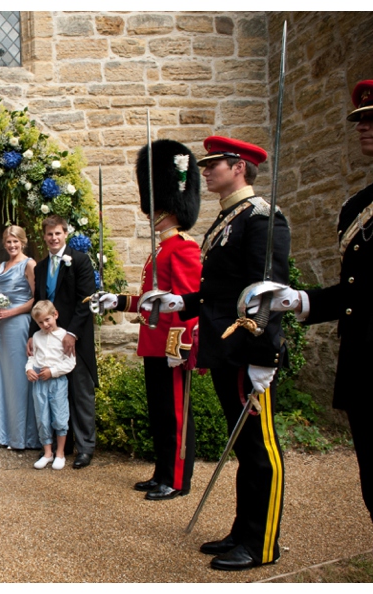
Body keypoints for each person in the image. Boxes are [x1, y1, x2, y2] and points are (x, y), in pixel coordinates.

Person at [254, 80, 373, 582]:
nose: (362, 126)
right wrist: (302, 300)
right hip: (368, 370)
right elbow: (357, 290)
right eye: (359, 119)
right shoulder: (362, 202)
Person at [142, 136, 290, 571]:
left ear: (240, 167)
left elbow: (268, 293)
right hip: (226, 350)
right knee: (244, 448)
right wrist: (178, 303)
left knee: (262, 451)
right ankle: (244, 529)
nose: (205, 172)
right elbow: (214, 295)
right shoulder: (228, 220)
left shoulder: (262, 218)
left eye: (214, 165)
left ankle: (263, 542)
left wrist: (264, 356)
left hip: (249, 353)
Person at [97, 139, 202, 500]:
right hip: (154, 343)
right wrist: (119, 301)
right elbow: (151, 300)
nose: (149, 213)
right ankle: (162, 472)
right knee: (160, 414)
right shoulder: (161, 249)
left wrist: (182, 345)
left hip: (171, 345)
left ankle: (176, 479)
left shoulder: (184, 247)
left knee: (174, 415)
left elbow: (187, 301)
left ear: (169, 208)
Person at [28, 215, 98, 469]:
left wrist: (72, 334)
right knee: (56, 394)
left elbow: (87, 300)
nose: (53, 238)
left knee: (80, 394)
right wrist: (30, 337)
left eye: (57, 233)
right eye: (49, 234)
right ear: (44, 237)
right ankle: (62, 448)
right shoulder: (40, 266)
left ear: (65, 234)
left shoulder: (79, 261)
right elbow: (38, 304)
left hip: (73, 340)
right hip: (47, 341)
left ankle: (85, 448)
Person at [0, 225, 40, 450]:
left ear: (23, 241)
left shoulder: (29, 264)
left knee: (20, 380)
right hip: (1, 329)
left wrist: (11, 312)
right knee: (3, 379)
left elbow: (35, 298)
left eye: (16, 241)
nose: (12, 245)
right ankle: (5, 434)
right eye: (8, 242)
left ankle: (24, 437)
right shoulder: (1, 266)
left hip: (19, 324)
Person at [26, 301, 77, 471]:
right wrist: (28, 369)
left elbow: (70, 363)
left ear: (55, 315)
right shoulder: (37, 337)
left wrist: (53, 372)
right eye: (40, 322)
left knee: (60, 417)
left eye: (47, 319)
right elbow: (33, 357)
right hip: (40, 382)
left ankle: (60, 453)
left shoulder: (64, 336)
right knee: (42, 417)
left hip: (57, 382)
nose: (45, 325)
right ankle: (47, 453)